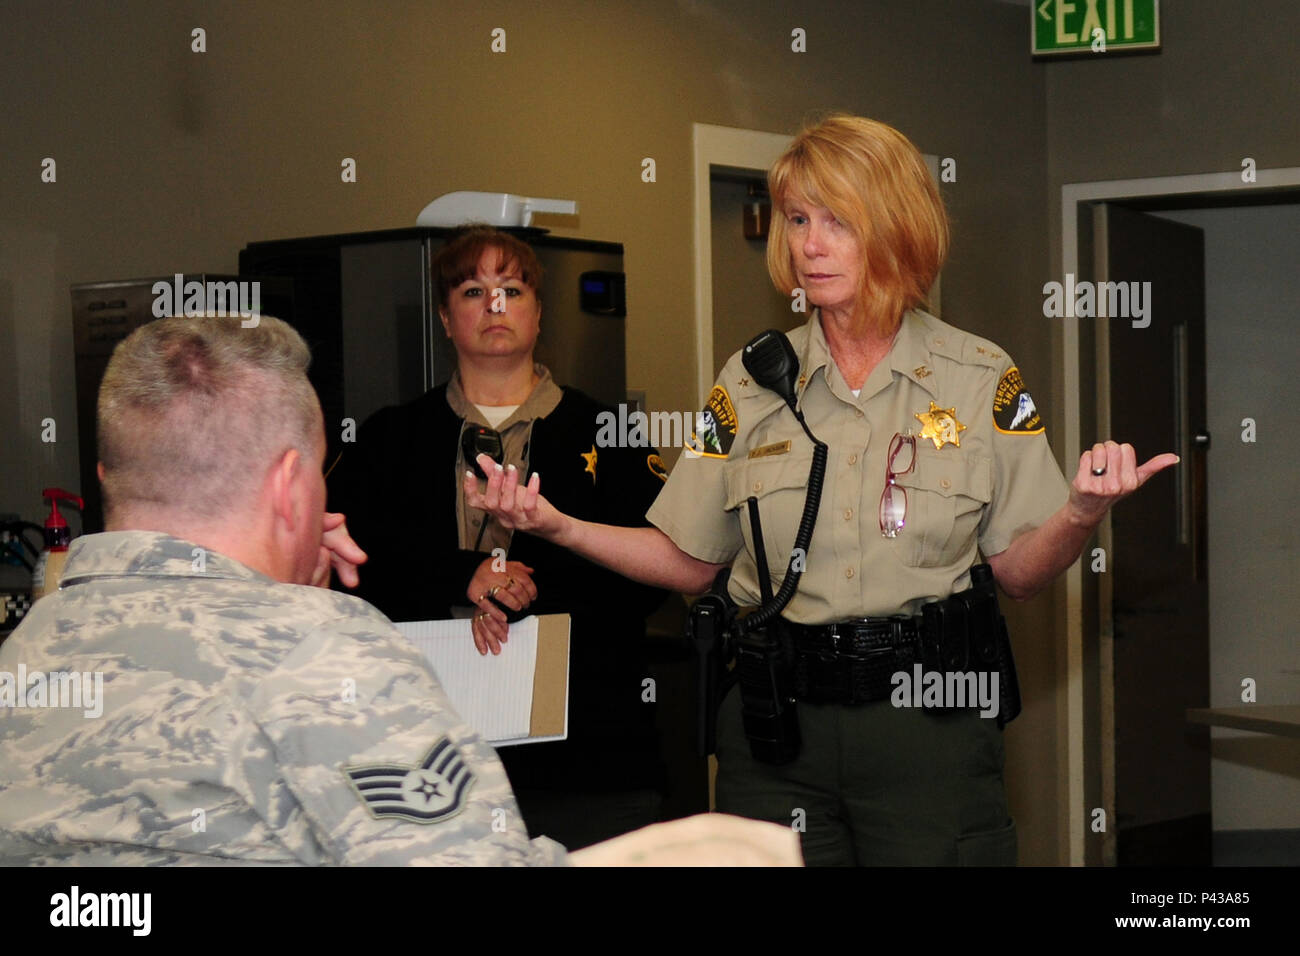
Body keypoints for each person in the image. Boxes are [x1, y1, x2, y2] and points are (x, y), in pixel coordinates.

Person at [464, 115, 1179, 866]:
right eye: (799, 219)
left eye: (838, 221)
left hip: (925, 726)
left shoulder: (977, 377)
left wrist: (1079, 513)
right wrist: (556, 524)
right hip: (778, 730)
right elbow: (692, 561)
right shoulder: (750, 379)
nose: (810, 243)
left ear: (898, 229)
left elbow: (1020, 575)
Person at [0, 313, 565, 864]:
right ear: (289, 484)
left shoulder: (24, 649)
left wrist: (281, 575)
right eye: (318, 472)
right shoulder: (329, 653)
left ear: (107, 477)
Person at [328, 226, 671, 850]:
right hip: (427, 767)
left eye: (511, 290)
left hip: (590, 763)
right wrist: (461, 576)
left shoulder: (608, 431)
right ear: (445, 316)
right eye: (472, 290)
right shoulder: (388, 439)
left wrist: (526, 589)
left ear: (539, 314)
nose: (494, 306)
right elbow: (342, 570)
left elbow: (661, 573)